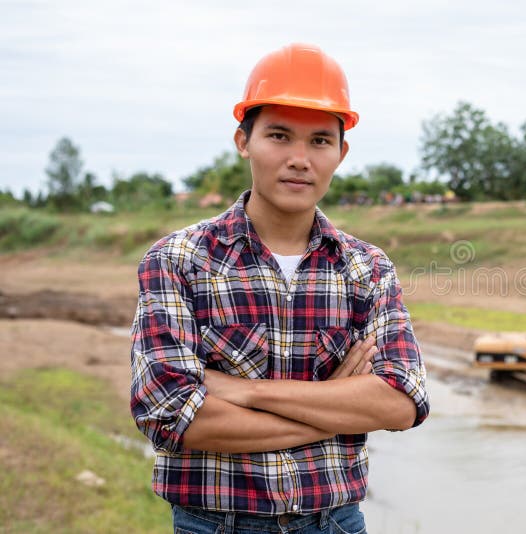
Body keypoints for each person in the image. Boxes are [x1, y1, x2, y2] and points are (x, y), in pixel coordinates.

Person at [130, 43, 429, 533]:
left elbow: (400, 402)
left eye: (318, 141)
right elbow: (172, 416)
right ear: (243, 140)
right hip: (216, 524)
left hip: (334, 522)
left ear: (341, 152)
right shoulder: (178, 261)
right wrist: (335, 405)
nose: (299, 159)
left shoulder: (367, 269)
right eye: (279, 135)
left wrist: (243, 392)